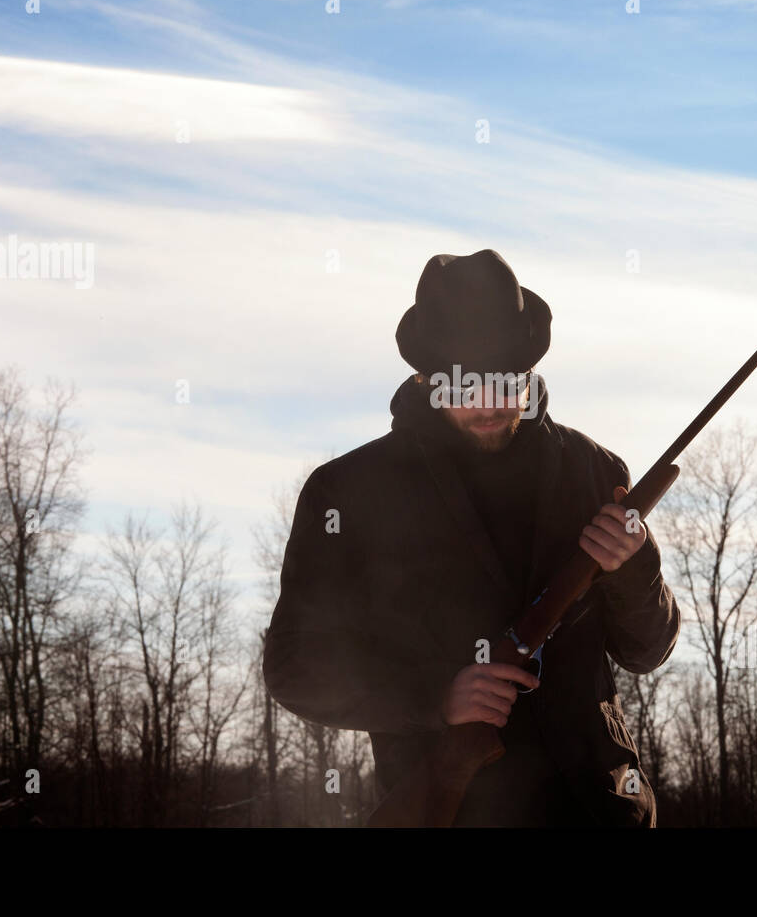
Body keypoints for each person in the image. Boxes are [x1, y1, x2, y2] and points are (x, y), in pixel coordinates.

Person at [262, 249, 680, 826]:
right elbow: (295, 668)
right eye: (464, 384)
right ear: (427, 379)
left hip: (604, 811)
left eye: (505, 380)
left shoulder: (593, 470)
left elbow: (646, 650)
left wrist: (635, 564)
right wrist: (435, 698)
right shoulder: (347, 491)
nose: (487, 402)